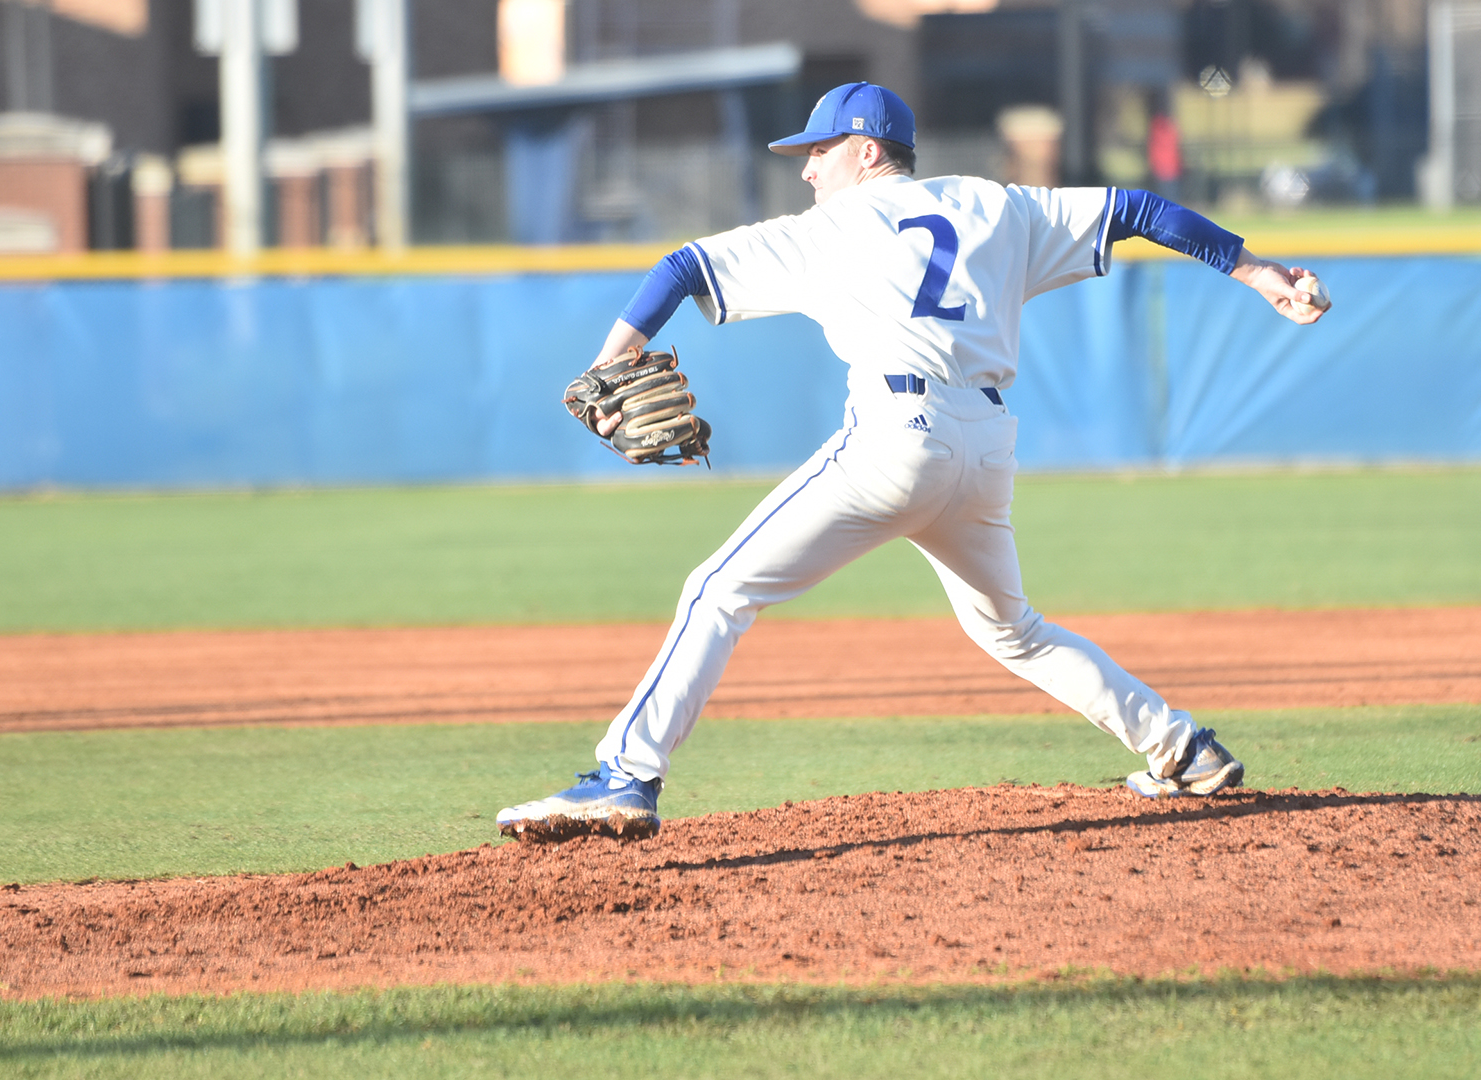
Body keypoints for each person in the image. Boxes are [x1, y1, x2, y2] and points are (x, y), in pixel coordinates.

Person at [497, 82, 1329, 840]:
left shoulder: (828, 228)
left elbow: (681, 267)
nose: (807, 172)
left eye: (817, 152)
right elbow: (1141, 209)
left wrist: (611, 359)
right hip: (986, 444)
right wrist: (1259, 274)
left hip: (896, 437)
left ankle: (625, 776)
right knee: (1014, 630)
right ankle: (1181, 748)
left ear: (866, 150)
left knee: (719, 590)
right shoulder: (1001, 207)